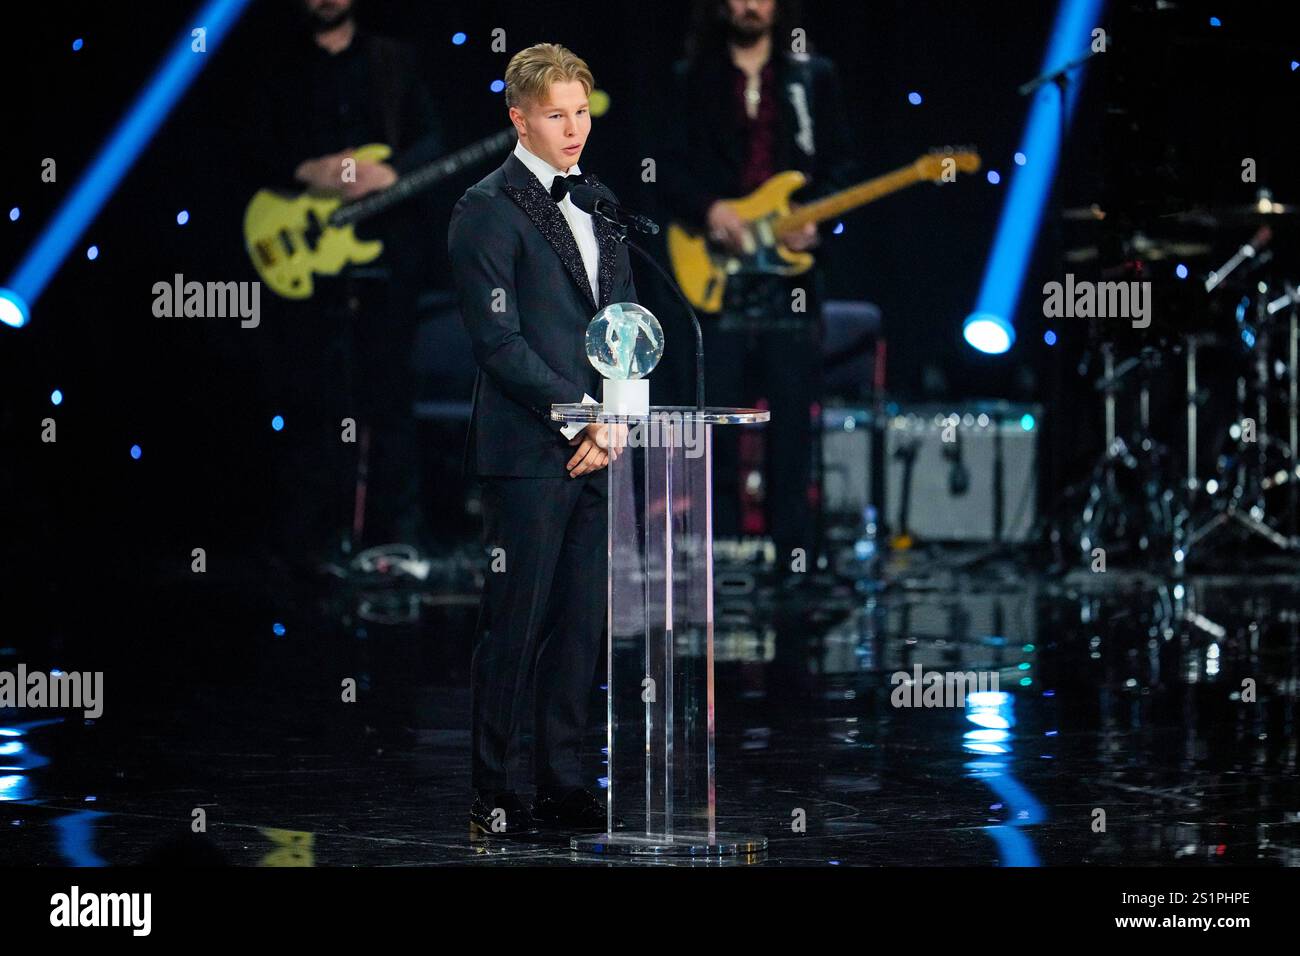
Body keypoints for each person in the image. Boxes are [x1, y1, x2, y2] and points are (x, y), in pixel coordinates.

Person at [448, 43, 636, 836]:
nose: (573, 128)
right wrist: (582, 413)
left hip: (601, 445)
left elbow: (629, 327)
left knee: (581, 626)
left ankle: (564, 780)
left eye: (581, 112)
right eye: (556, 114)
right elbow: (499, 343)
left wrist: (618, 417)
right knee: (516, 623)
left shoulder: (600, 201)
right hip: (528, 453)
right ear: (519, 119)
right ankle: (494, 787)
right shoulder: (485, 208)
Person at [659, 0, 859, 582]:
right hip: (714, 267)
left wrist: (816, 220)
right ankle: (720, 555)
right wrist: (709, 209)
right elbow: (663, 165)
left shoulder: (811, 78)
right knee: (715, 419)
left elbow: (841, 165)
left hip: (790, 280)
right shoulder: (690, 78)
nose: (750, 5)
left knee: (793, 420)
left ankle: (791, 560)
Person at [241, 0, 446, 562]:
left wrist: (390, 172)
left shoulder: (395, 60)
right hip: (305, 255)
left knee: (391, 395)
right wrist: (308, 169)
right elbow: (248, 147)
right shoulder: (276, 67)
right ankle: (310, 541)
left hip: (386, 253)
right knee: (311, 397)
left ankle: (397, 536)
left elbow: (434, 139)